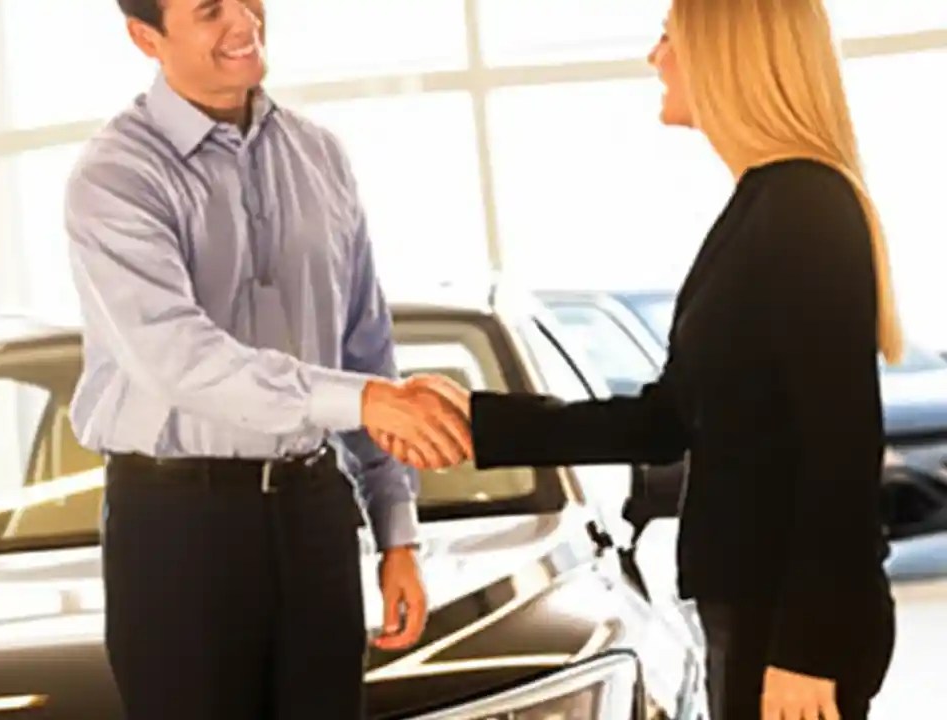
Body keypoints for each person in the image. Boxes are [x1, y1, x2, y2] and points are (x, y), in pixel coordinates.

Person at [385, 1, 900, 718]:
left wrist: (806, 649)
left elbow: (839, 452)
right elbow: (663, 422)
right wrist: (475, 416)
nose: (654, 57)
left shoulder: (803, 206)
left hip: (788, 622)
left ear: (729, 57)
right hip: (755, 607)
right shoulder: (764, 205)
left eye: (669, 37)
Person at [63, 1, 472, 718]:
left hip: (313, 512)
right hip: (178, 528)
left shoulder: (321, 155)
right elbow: (179, 358)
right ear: (145, 37)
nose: (244, 20)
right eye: (209, 10)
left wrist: (395, 531)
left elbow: (364, 342)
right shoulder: (114, 177)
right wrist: (366, 400)